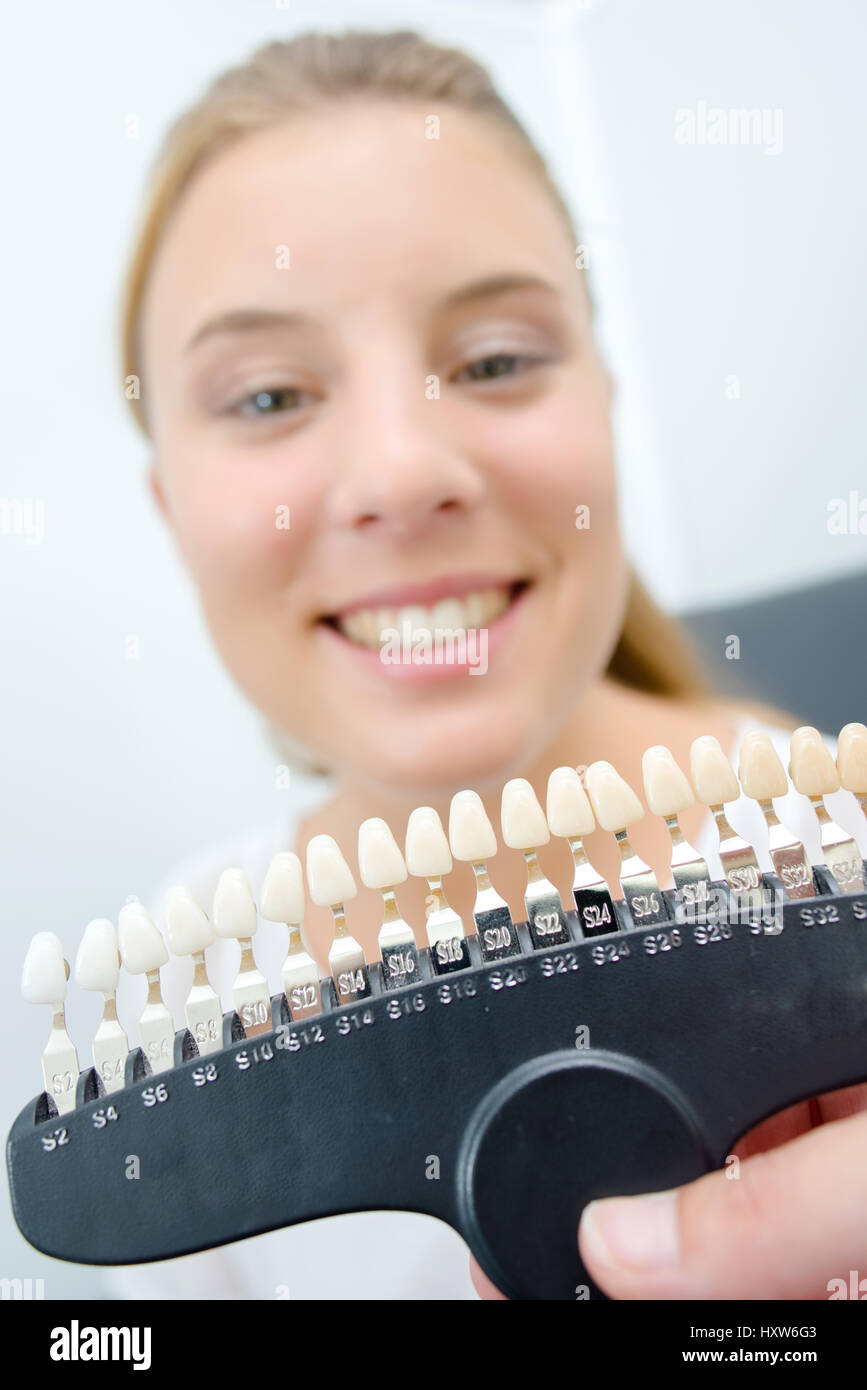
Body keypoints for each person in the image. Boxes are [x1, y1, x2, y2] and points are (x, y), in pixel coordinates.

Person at [110, 29, 867, 1300]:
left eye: (497, 361)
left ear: (607, 409)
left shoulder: (838, 857)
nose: (404, 471)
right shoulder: (176, 1013)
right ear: (170, 510)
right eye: (269, 397)